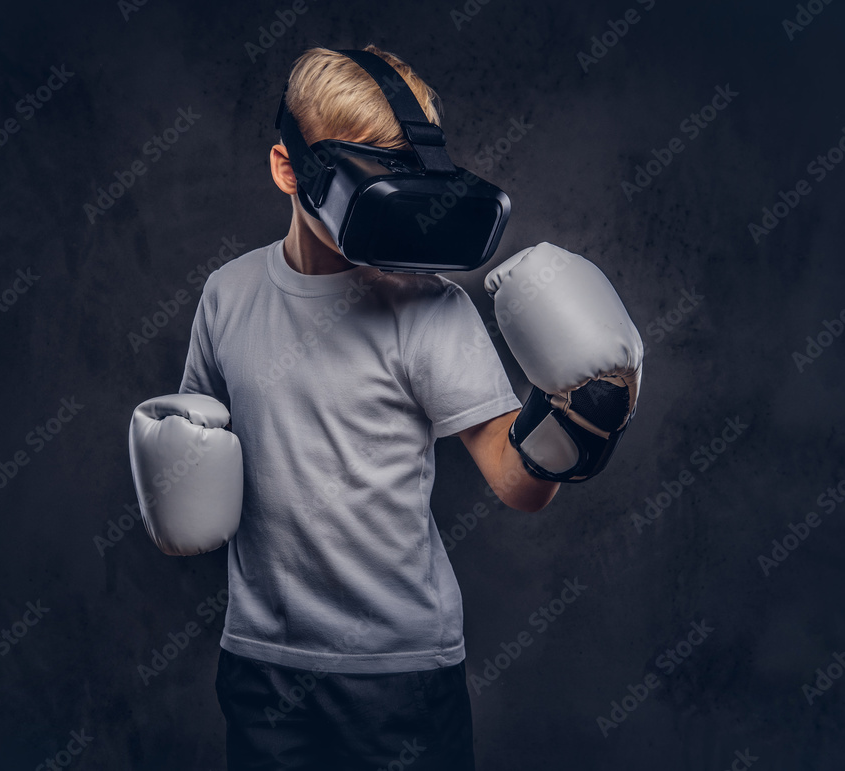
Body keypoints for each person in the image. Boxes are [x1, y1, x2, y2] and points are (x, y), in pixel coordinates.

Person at [179, 44, 560, 769]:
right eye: (367, 171)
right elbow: (199, 441)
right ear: (288, 169)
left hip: (402, 671)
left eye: (402, 171)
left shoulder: (428, 306)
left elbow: (520, 482)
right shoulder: (226, 294)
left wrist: (579, 414)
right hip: (263, 664)